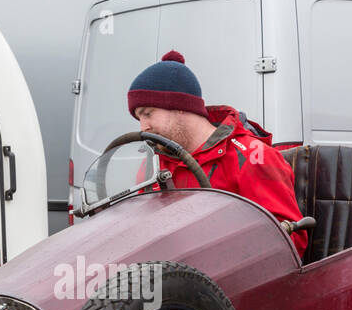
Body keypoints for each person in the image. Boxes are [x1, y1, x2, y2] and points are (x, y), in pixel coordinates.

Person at [126, 51, 308, 257]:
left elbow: (289, 241)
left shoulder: (252, 157)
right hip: (171, 279)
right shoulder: (154, 165)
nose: (143, 127)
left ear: (179, 107)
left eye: (148, 114)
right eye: (139, 118)